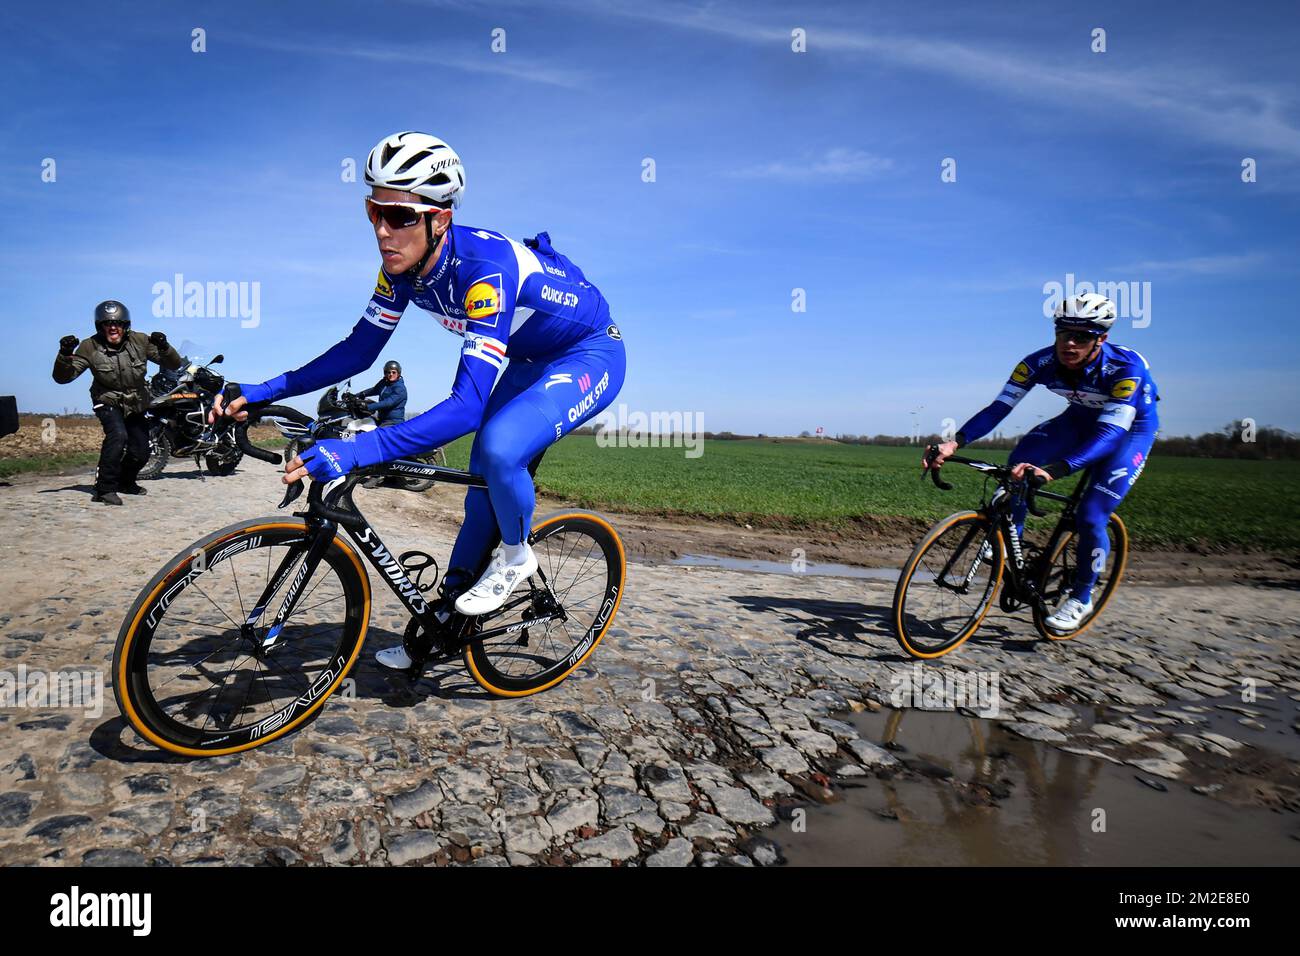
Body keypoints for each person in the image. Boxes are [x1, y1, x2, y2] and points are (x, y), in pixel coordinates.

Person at [212, 131, 626, 667]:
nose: (384, 231)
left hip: (587, 353)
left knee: (498, 448)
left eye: (400, 216)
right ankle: (446, 623)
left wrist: (361, 450)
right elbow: (358, 352)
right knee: (482, 484)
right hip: (529, 361)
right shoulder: (401, 270)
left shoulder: (486, 271)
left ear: (440, 220)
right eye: (373, 212)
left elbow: (466, 406)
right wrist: (259, 390)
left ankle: (517, 557)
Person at [926, 292, 1159, 631]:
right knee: (1018, 463)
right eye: (1064, 333)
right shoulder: (1038, 362)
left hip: (1127, 432)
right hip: (1078, 420)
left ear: (1101, 339)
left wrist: (1052, 471)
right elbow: (999, 408)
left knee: (1091, 515)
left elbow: (1109, 434)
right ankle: (1009, 542)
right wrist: (954, 441)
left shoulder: (1125, 369)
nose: (1070, 343)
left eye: (1082, 337)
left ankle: (1081, 596)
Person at [53, 301, 182, 505]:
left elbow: (173, 363)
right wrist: (65, 355)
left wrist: (165, 347)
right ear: (100, 326)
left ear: (126, 325)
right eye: (107, 324)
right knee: (118, 436)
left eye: (118, 323)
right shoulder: (89, 346)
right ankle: (104, 489)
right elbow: (63, 377)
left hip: (136, 402)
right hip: (107, 400)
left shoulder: (140, 340)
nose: (113, 327)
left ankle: (126, 481)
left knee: (141, 450)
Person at [357, 359, 408, 424]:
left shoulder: (400, 388)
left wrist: (368, 407)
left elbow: (388, 402)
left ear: (398, 373)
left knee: (374, 434)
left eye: (393, 372)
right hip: (381, 419)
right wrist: (357, 395)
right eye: (388, 372)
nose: (391, 374)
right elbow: (374, 390)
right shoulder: (384, 383)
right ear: (385, 373)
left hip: (392, 422)